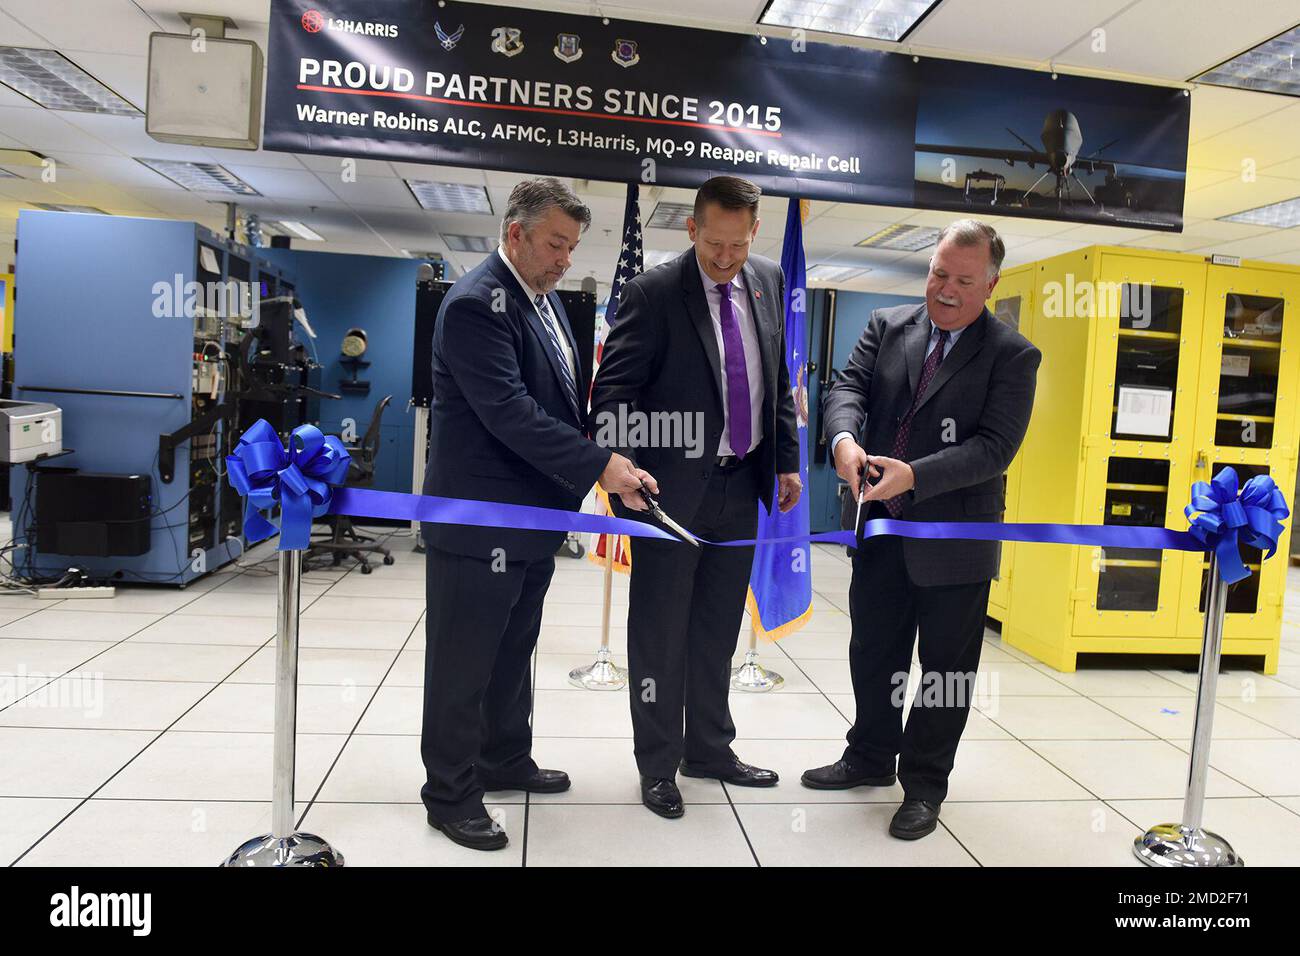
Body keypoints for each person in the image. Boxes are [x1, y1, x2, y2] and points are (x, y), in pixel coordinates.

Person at [420, 177, 656, 850]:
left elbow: (560, 406)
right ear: (515, 232)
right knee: (463, 662)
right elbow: (508, 413)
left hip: (529, 521)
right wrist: (596, 465)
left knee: (511, 649)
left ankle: (502, 757)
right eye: (555, 244)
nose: (564, 259)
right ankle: (450, 793)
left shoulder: (542, 302)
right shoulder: (475, 305)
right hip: (480, 524)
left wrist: (611, 457)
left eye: (573, 247)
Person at [802, 218, 1040, 840]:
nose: (946, 289)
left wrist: (915, 476)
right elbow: (846, 387)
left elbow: (994, 448)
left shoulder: (1013, 355)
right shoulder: (888, 325)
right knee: (874, 652)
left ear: (990, 285)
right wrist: (846, 439)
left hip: (954, 546)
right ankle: (870, 757)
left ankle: (925, 784)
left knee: (944, 671)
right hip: (882, 529)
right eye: (938, 273)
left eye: (963, 280)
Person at [590, 175, 801, 819]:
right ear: (691, 229)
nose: (726, 258)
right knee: (659, 633)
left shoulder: (764, 281)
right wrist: (620, 468)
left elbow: (777, 379)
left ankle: (709, 747)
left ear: (754, 233)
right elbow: (613, 396)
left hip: (742, 486)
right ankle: (657, 765)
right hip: (668, 492)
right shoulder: (653, 293)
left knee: (715, 627)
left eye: (737, 245)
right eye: (714, 245)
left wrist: (786, 463)